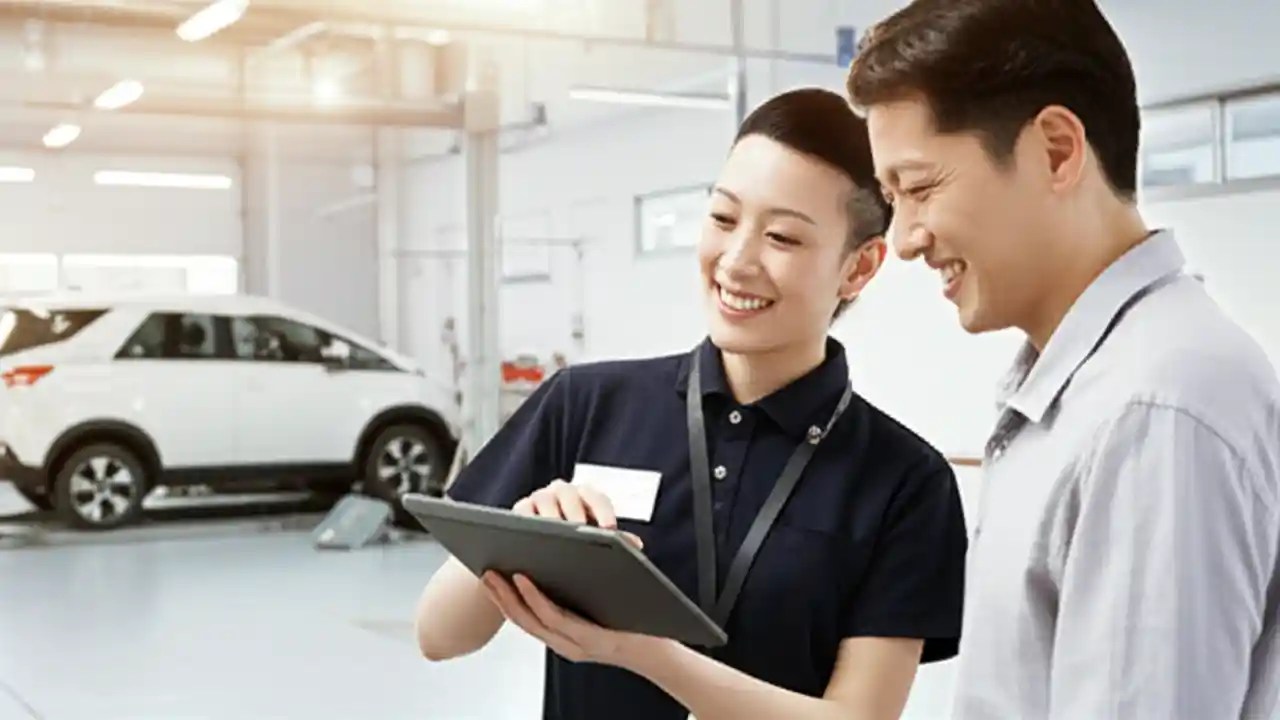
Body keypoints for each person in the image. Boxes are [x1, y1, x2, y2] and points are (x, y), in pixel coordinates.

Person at [413, 88, 968, 720]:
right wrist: (526, 534)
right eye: (723, 219)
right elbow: (440, 635)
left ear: (860, 267)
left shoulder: (905, 482)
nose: (736, 262)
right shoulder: (587, 405)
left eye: (782, 237)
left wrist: (648, 655)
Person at [846, 1, 1280, 718]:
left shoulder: (1156, 403)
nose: (904, 238)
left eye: (920, 189)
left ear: (1055, 149)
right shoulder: (1087, 388)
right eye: (892, 199)